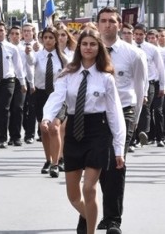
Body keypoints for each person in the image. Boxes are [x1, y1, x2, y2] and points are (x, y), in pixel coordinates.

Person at [42, 29, 126, 234]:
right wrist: (46, 117)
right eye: (85, 44)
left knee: (88, 188)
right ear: (79, 47)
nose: (88, 47)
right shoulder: (68, 74)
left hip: (99, 131)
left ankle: (90, 231)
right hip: (74, 133)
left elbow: (115, 113)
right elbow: (56, 97)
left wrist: (119, 148)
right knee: (73, 195)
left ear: (99, 48)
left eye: (93, 44)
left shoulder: (106, 77)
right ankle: (92, 215)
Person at [95, 8, 146, 234]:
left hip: (124, 112)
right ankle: (103, 213)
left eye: (112, 21)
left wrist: (134, 121)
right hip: (96, 113)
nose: (108, 25)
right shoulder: (89, 50)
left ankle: (113, 219)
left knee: (117, 163)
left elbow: (140, 87)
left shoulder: (133, 54)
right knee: (99, 165)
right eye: (103, 21)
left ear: (119, 24)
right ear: (97, 24)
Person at [32, 27, 67, 177]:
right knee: (44, 129)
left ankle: (56, 163)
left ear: (56, 39)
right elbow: (28, 62)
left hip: (58, 96)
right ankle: (48, 159)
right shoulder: (37, 56)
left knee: (54, 128)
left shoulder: (64, 58)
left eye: (51, 38)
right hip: (41, 95)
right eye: (45, 37)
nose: (47, 40)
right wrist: (28, 53)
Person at [132, 24, 165, 148]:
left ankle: (144, 132)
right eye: (137, 34)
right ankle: (134, 138)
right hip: (133, 82)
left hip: (150, 82)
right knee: (135, 109)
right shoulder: (130, 48)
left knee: (147, 106)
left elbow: (160, 68)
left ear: (145, 35)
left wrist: (162, 86)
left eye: (141, 34)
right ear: (134, 34)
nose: (139, 37)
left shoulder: (152, 49)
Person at [21, 24, 40, 144]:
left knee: (32, 108)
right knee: (21, 108)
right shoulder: (17, 46)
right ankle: (25, 128)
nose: (27, 33)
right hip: (21, 80)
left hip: (34, 81)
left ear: (33, 32)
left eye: (29, 31)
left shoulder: (39, 46)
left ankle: (30, 134)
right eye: (25, 31)